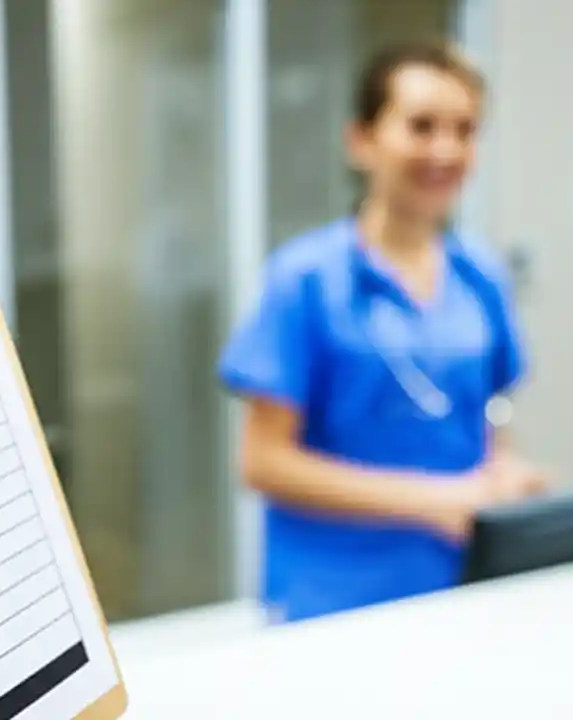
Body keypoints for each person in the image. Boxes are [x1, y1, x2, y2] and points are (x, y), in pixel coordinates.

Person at [218, 43, 547, 623]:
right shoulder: (305, 280)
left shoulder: (482, 277)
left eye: (464, 130)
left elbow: (492, 415)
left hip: (461, 585)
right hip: (333, 602)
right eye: (422, 126)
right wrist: (434, 500)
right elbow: (263, 461)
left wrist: (505, 473)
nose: (445, 149)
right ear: (362, 139)